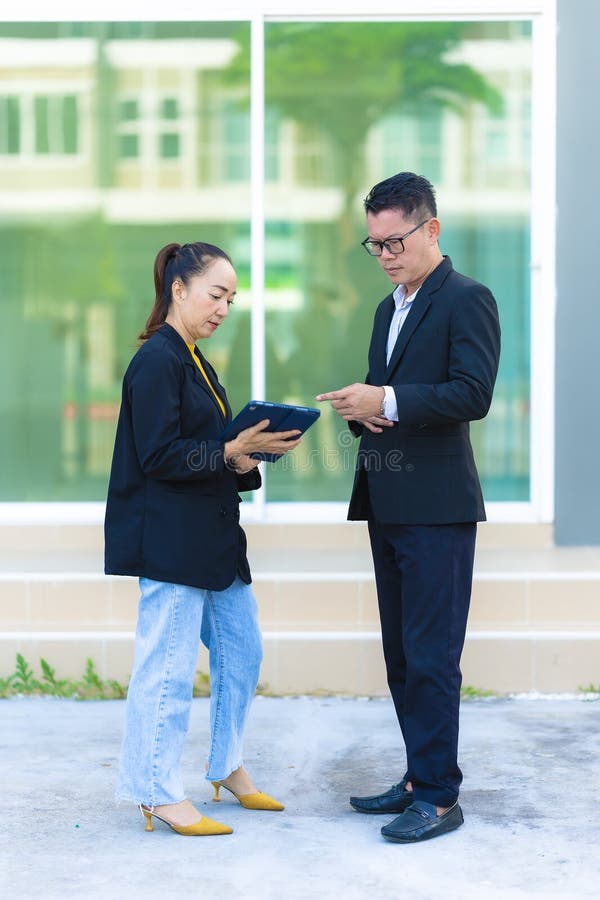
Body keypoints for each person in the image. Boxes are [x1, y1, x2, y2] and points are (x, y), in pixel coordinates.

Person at [317, 172, 501, 843]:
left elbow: (472, 394)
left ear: (432, 230)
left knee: (431, 655)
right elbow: (386, 397)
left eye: (395, 241)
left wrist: (387, 401)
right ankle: (420, 777)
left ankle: (442, 798)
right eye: (375, 245)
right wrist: (363, 414)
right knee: (401, 654)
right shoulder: (386, 309)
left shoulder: (467, 299)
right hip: (390, 500)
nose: (387, 254)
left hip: (438, 507)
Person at [105, 241, 302, 836]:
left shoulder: (196, 360)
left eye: (231, 300)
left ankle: (226, 766)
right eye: (216, 294)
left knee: (242, 653)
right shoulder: (156, 362)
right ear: (179, 290)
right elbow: (159, 454)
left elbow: (211, 448)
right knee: (166, 671)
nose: (223, 308)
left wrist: (245, 459)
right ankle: (156, 792)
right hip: (171, 544)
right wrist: (228, 450)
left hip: (213, 544)